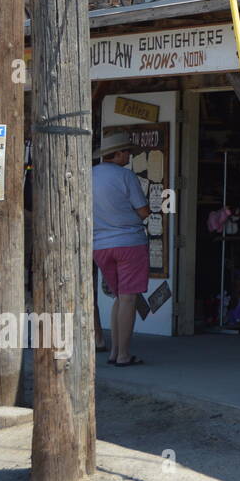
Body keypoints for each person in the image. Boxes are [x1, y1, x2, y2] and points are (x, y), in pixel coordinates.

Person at [92, 131, 151, 367]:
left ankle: (115, 351)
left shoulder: (88, 175)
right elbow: (143, 211)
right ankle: (123, 354)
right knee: (128, 299)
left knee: (119, 297)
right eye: (126, 151)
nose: (129, 155)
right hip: (129, 242)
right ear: (116, 154)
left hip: (100, 245)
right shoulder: (126, 176)